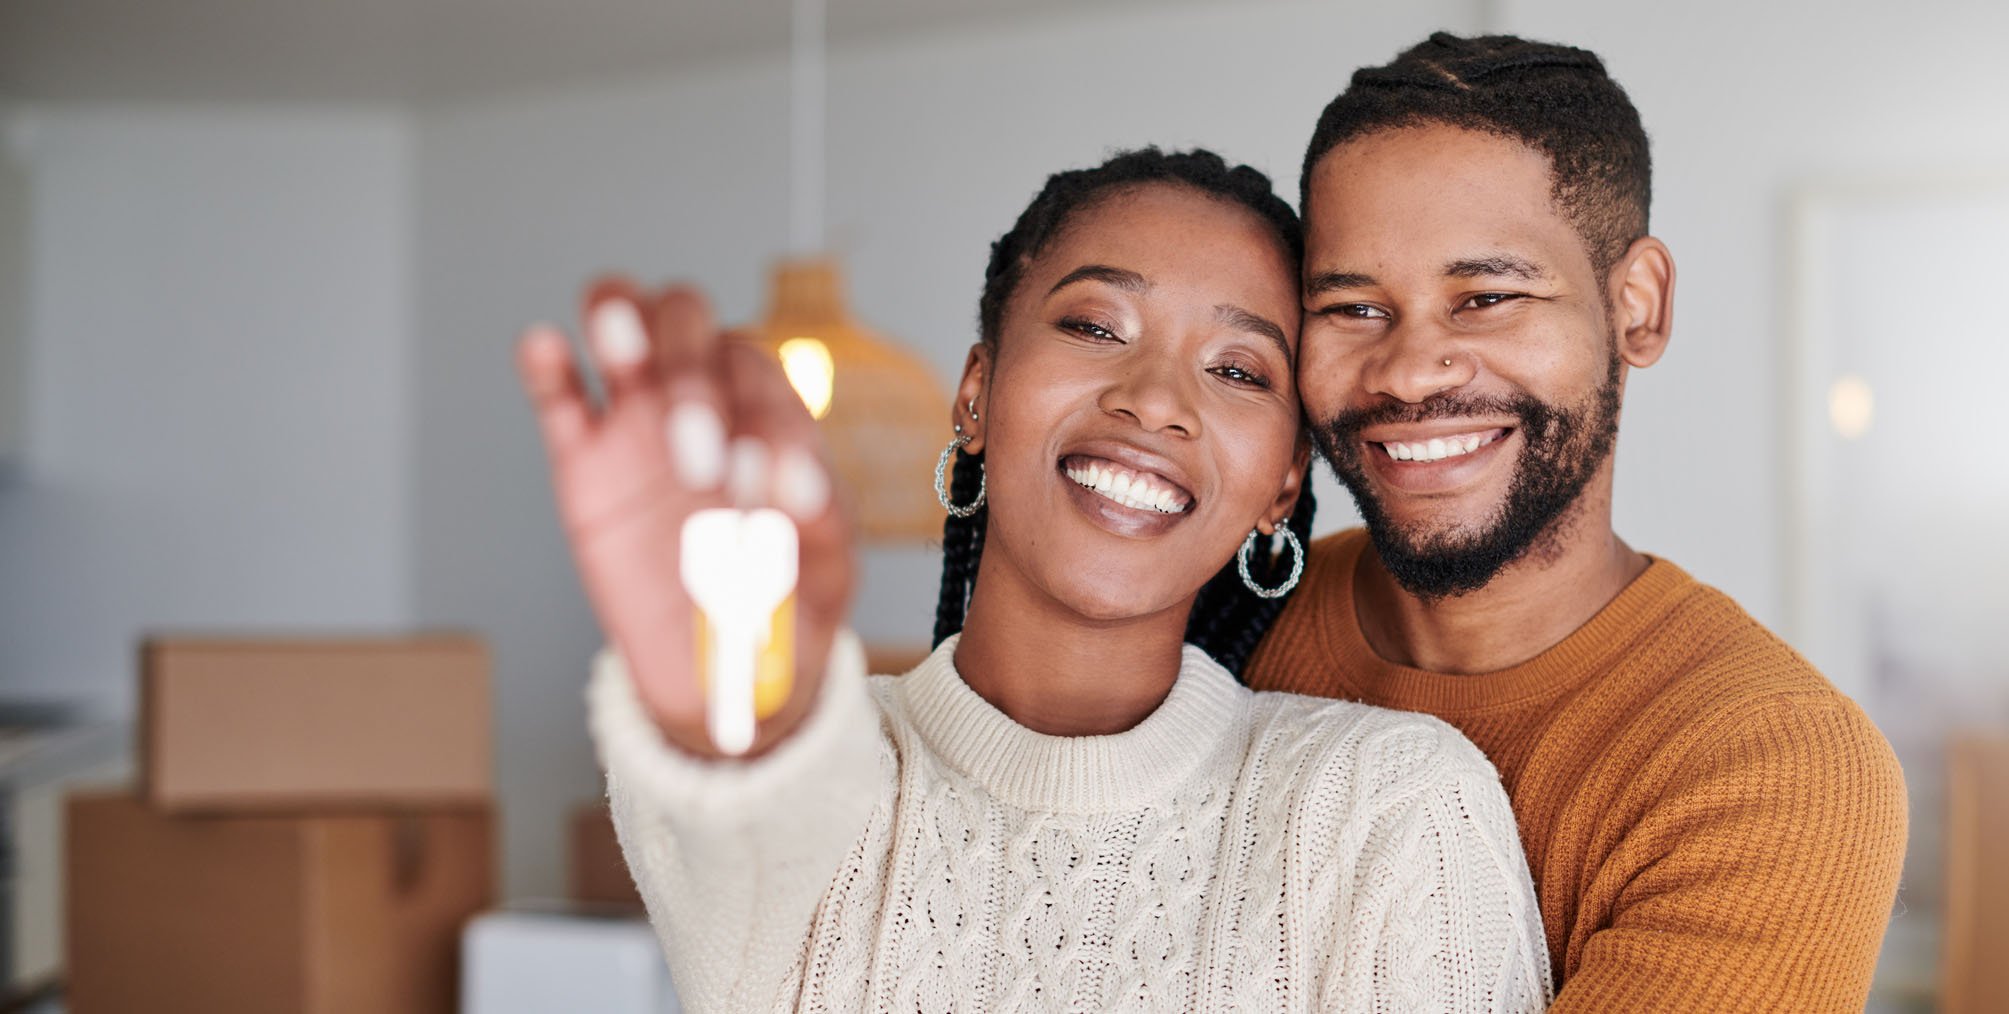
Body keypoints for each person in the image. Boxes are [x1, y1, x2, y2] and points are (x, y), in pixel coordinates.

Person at [517, 149, 1551, 1011]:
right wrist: (724, 685)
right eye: (1095, 327)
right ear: (976, 394)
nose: (1154, 399)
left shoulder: (1386, 810)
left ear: (1282, 483)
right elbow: (739, 793)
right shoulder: (817, 782)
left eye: (1237, 370)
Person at [1246, 33, 1908, 1011]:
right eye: (1351, 307)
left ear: (1634, 307)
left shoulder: (1772, 764)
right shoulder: (1221, 618)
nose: (1408, 372)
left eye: (1486, 297)